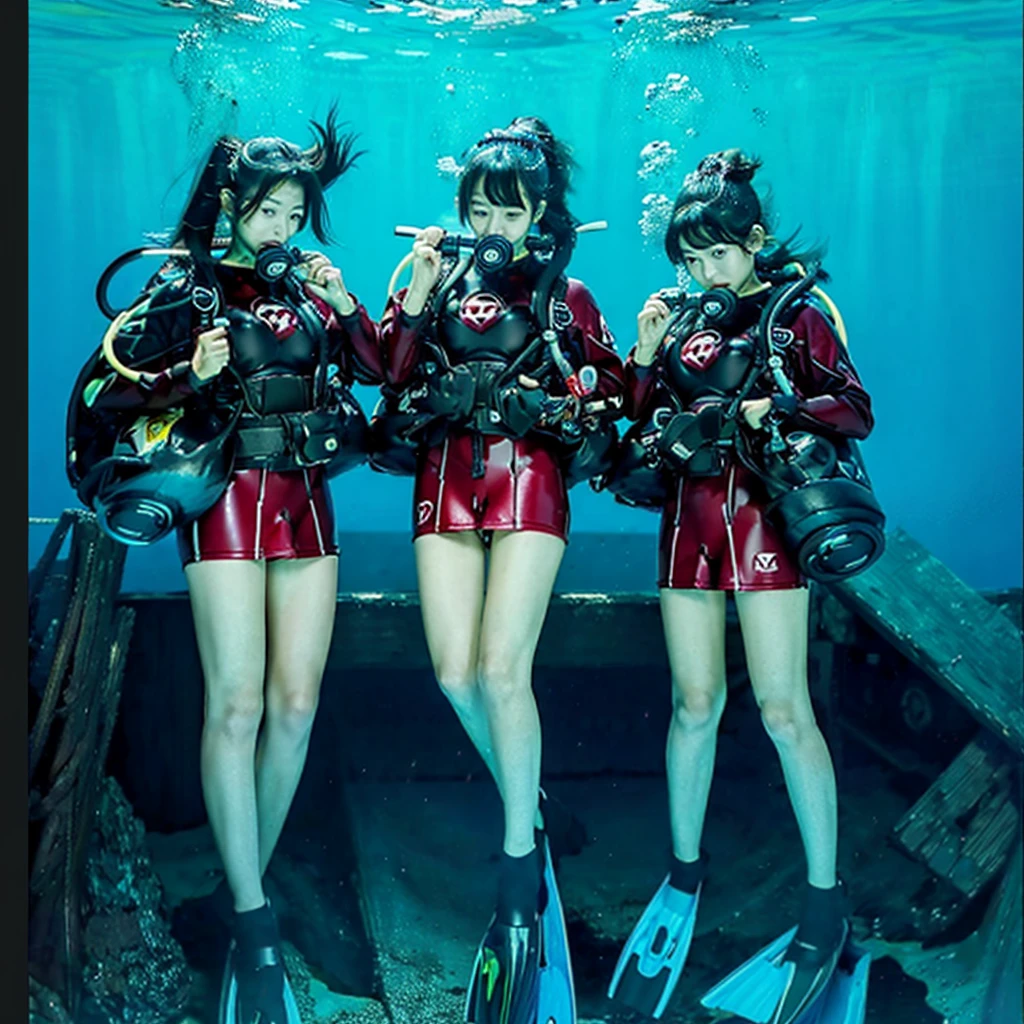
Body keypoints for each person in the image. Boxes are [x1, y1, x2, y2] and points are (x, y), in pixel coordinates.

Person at [78, 110, 382, 1024]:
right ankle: (253, 925)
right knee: (239, 702)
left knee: (294, 707)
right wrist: (189, 373)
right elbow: (101, 394)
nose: (282, 227)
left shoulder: (313, 289)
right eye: (268, 210)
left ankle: (238, 882)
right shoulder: (185, 290)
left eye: (295, 210)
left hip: (307, 502)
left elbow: (375, 372)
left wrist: (348, 300)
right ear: (230, 205)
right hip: (227, 504)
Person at [606, 149, 874, 1023]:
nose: (700, 272)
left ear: (753, 240)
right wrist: (644, 358)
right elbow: (637, 426)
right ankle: (684, 874)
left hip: (767, 527)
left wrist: (776, 409)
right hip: (687, 526)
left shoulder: (796, 313)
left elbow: (854, 407)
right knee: (695, 703)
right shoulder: (680, 317)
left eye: (715, 254)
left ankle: (825, 897)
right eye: (688, 257)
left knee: (786, 708)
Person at [378, 116, 625, 1023]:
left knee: (497, 670)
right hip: (444, 482)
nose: (491, 222)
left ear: (541, 210)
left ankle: (519, 863)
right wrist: (415, 290)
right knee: (453, 674)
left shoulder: (571, 292)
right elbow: (389, 372)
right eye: (478, 204)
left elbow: (609, 394)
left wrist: (574, 385)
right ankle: (533, 798)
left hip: (530, 484)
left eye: (508, 209)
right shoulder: (437, 280)